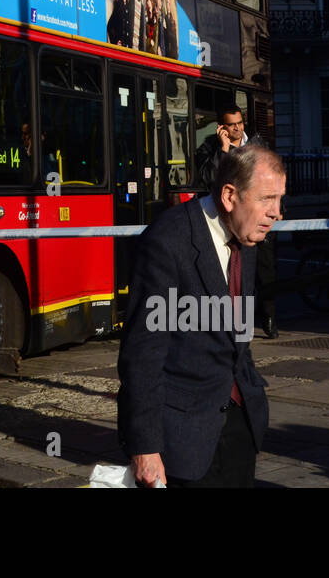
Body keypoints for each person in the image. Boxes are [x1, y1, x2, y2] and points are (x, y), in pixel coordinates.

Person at [118, 143, 284, 487]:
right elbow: (142, 354)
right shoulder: (169, 241)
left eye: (280, 199)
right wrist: (145, 449)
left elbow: (236, 331)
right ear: (229, 196)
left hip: (239, 425)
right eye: (267, 198)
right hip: (182, 439)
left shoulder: (246, 235)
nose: (277, 212)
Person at [194, 108, 278, 337]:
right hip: (230, 221)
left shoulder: (258, 146)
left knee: (265, 269)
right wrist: (223, 150)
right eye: (232, 125)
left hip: (258, 216)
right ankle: (240, 322)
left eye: (240, 123)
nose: (237, 128)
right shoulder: (210, 148)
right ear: (221, 127)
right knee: (238, 272)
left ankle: (270, 316)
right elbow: (209, 179)